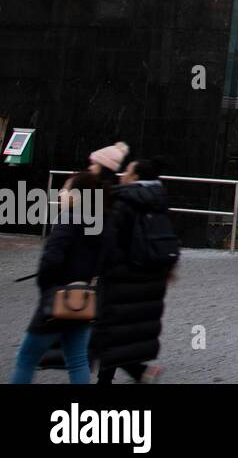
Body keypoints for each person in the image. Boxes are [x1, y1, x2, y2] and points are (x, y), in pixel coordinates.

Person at [9, 170, 114, 384]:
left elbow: (51, 262)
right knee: (77, 360)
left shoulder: (67, 220)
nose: (60, 195)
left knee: (26, 357)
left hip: (59, 298)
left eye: (65, 190)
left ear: (76, 195)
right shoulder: (101, 222)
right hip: (84, 299)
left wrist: (47, 289)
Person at [92, 158, 176, 384]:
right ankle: (137, 372)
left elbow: (110, 241)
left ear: (136, 177)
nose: (123, 175)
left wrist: (96, 268)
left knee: (107, 328)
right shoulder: (158, 201)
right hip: (145, 277)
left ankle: (125, 374)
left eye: (128, 171)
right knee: (119, 330)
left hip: (119, 277)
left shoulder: (124, 201)